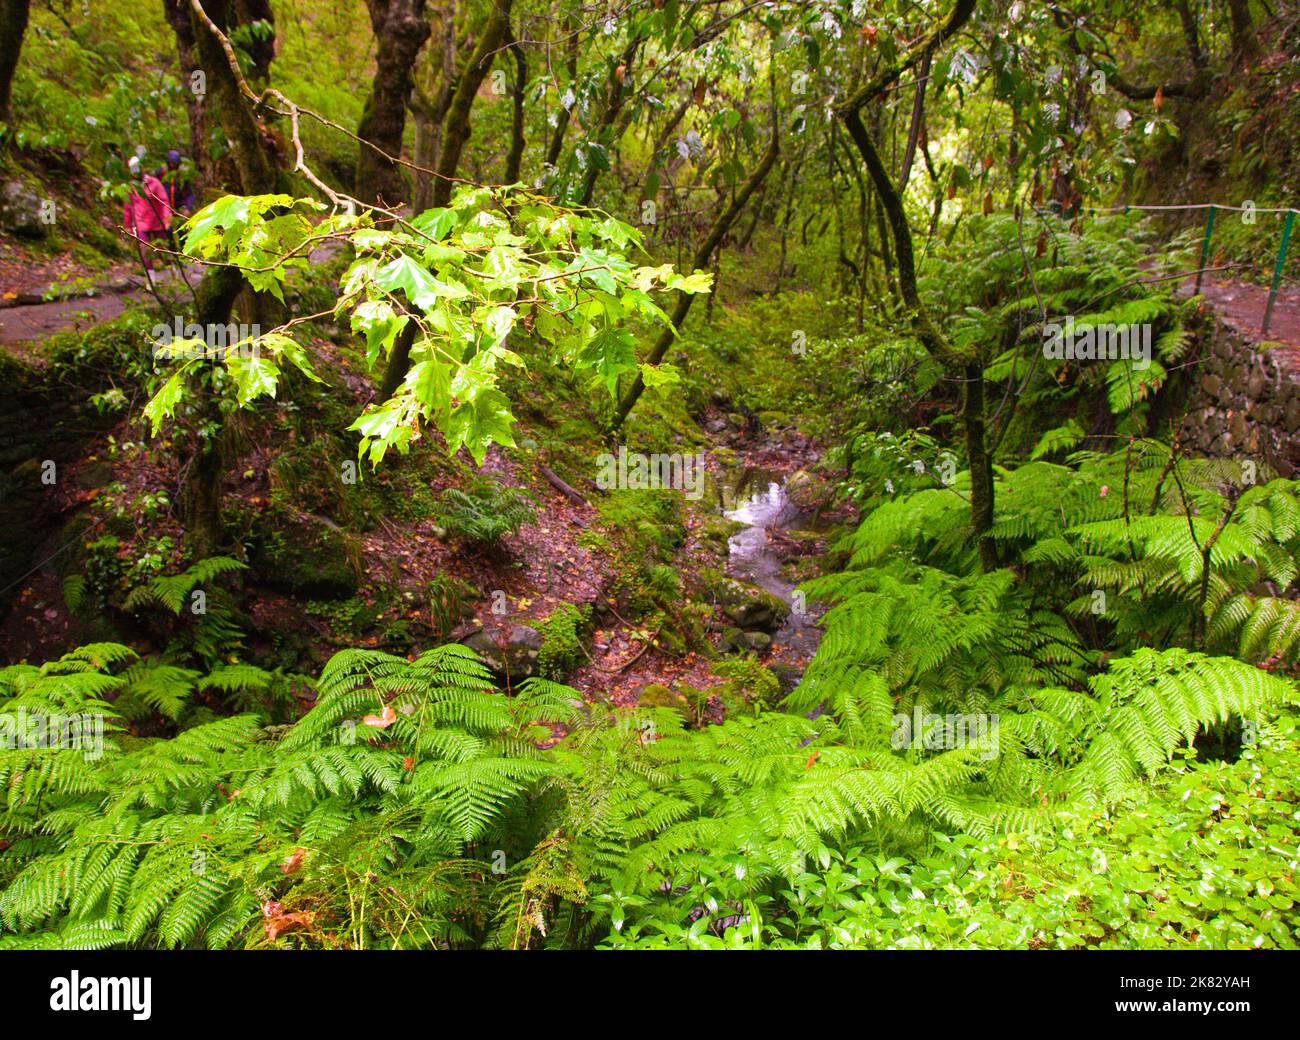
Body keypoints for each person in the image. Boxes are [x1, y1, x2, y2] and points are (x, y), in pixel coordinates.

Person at [122, 155, 173, 279]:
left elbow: (164, 201)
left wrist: (167, 218)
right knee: (145, 250)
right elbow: (128, 207)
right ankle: (151, 279)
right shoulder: (130, 187)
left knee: (162, 249)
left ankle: (173, 272)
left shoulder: (154, 183)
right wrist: (127, 225)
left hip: (156, 221)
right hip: (141, 223)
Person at [154, 149, 196, 217]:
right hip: (162, 211)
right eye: (171, 163)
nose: (172, 165)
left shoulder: (181, 177)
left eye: (175, 163)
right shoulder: (160, 173)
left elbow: (189, 194)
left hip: (178, 210)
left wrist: (188, 208)